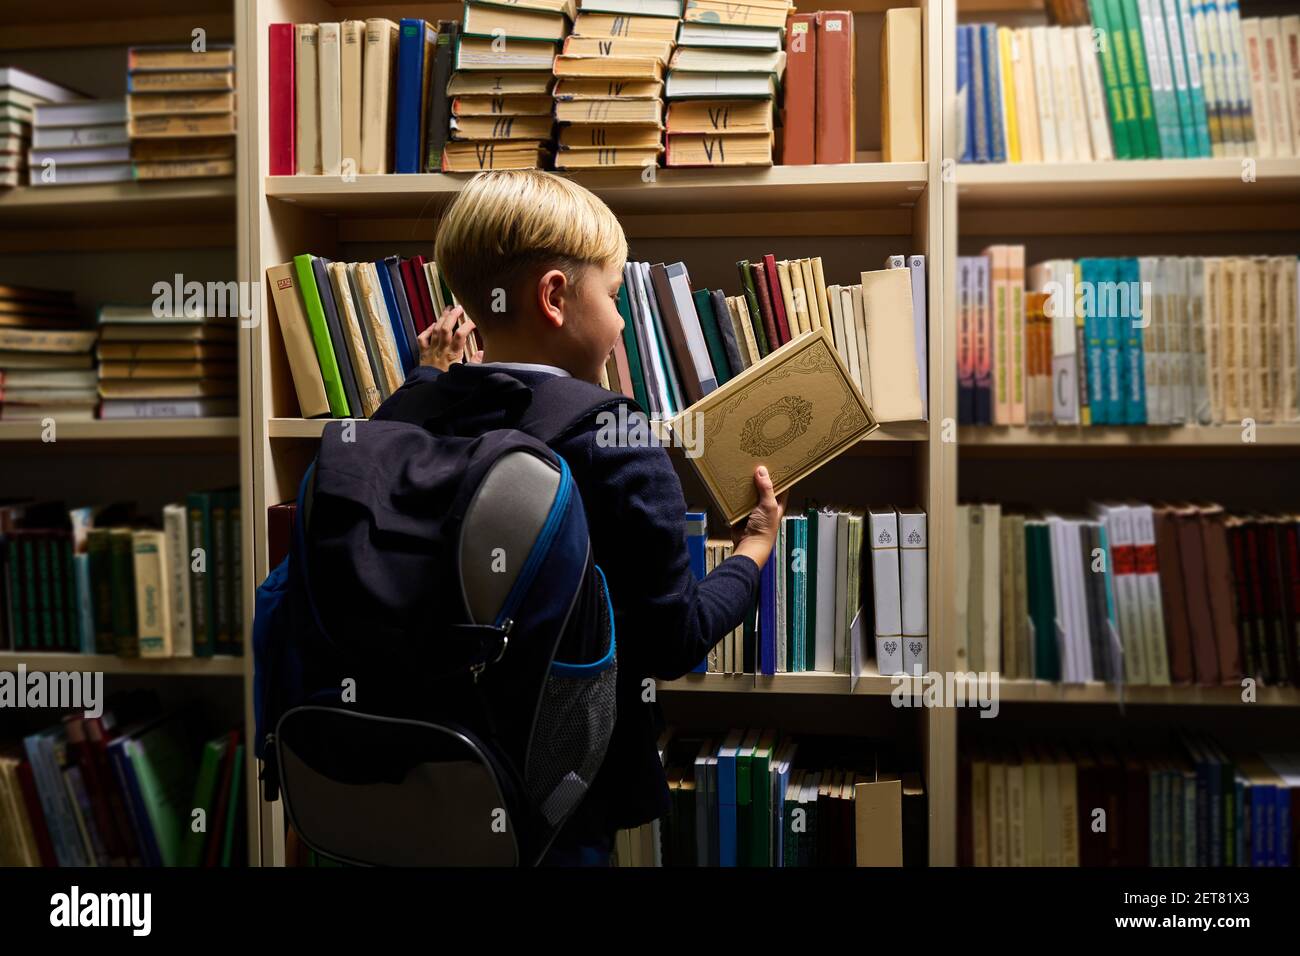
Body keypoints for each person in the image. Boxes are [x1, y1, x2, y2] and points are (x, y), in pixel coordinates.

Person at [375, 169, 785, 866]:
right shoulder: (611, 437)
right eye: (615, 294)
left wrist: (433, 374)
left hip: (406, 781)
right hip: (554, 802)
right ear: (557, 297)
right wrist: (753, 550)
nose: (623, 321)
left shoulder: (402, 414)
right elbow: (672, 640)